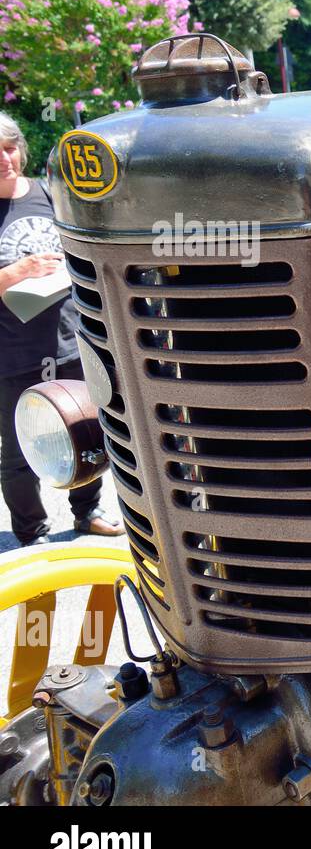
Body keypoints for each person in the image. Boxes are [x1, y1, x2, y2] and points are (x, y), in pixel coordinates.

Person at [0, 112, 123, 545]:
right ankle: (30, 532)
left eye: (9, 147)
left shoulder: (48, 194)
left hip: (71, 339)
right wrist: (17, 272)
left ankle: (88, 510)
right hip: (13, 353)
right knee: (19, 452)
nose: (4, 159)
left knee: (84, 429)